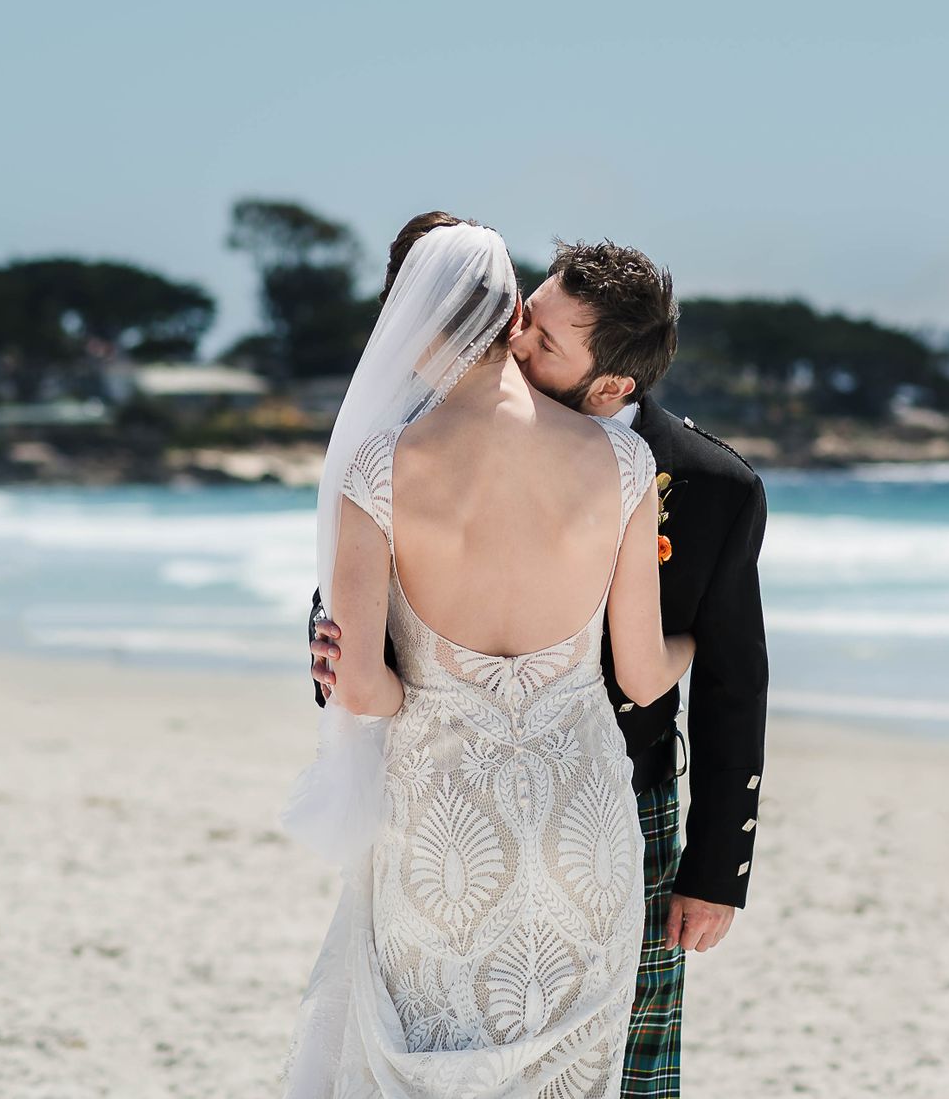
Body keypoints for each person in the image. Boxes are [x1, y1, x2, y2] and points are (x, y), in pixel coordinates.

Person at [310, 220, 770, 1097]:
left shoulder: (712, 483)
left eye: (544, 337)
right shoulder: (623, 463)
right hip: (585, 825)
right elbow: (647, 672)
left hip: (494, 817)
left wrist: (716, 872)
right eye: (524, 315)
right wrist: (688, 640)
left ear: (611, 382)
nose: (520, 338)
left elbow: (736, 688)